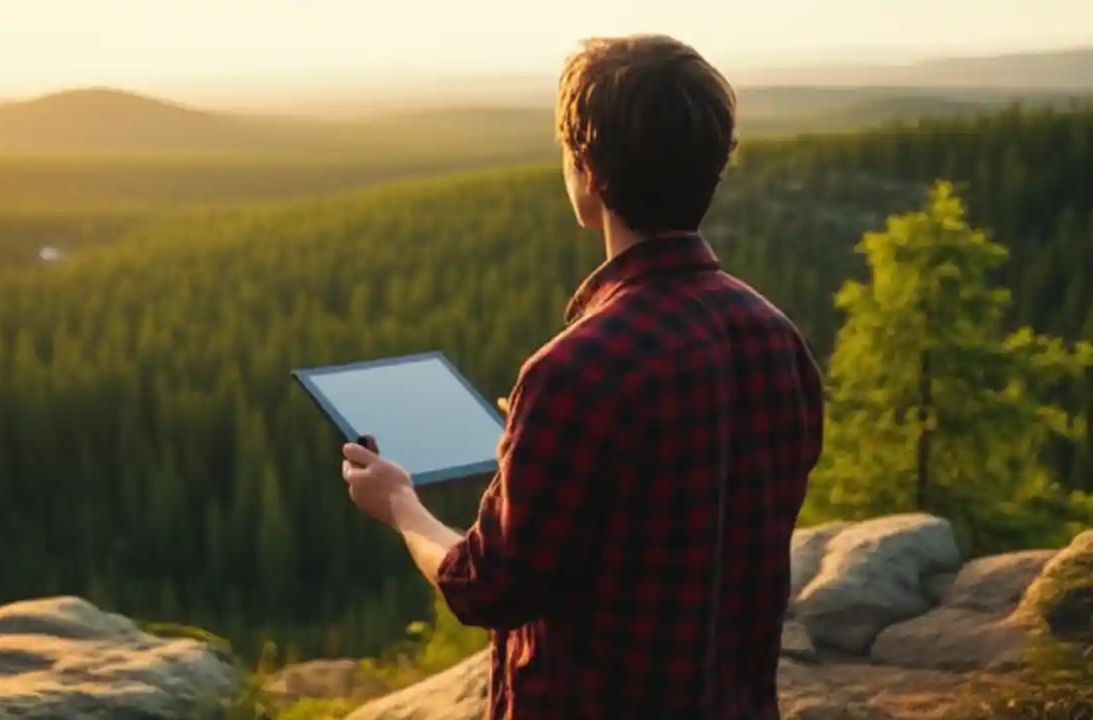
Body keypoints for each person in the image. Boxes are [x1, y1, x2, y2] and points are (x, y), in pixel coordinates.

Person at [341, 34, 824, 719]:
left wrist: (399, 505)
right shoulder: (776, 338)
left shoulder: (574, 374)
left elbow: (487, 588)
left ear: (587, 172)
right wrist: (542, 443)